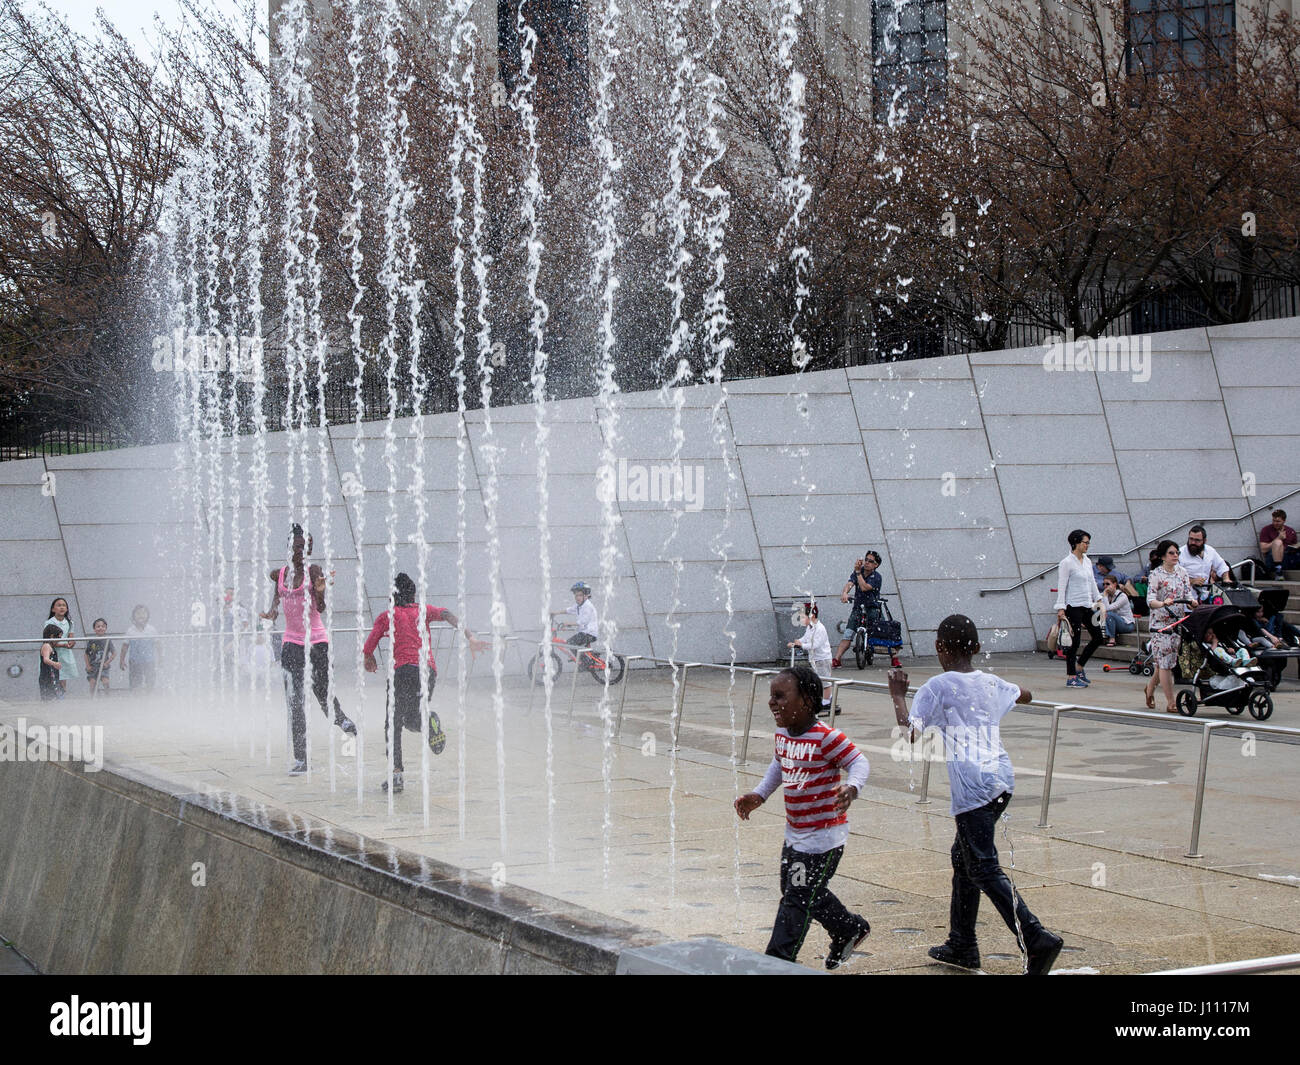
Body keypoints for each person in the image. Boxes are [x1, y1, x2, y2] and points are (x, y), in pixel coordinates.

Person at [888, 615, 1064, 975]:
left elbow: (909, 733)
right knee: (964, 858)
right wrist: (1010, 694)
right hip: (1002, 780)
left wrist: (897, 696)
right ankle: (962, 944)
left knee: (982, 866)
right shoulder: (991, 682)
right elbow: (1025, 694)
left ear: (939, 647)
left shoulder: (936, 687)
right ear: (977, 648)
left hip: (973, 786)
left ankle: (1036, 937)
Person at [734, 665, 871, 969]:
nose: (772, 702)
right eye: (772, 696)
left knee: (797, 898)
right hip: (795, 832)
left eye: (780, 696)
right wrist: (760, 794)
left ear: (808, 701)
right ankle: (848, 928)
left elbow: (859, 762)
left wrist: (851, 788)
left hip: (823, 837)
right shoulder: (783, 734)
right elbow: (779, 765)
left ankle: (778, 962)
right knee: (799, 890)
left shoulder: (826, 738)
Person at [362, 572, 487, 793]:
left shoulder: (387, 616)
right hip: (427, 672)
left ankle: (396, 774)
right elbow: (447, 614)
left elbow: (369, 646)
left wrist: (368, 659)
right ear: (413, 594)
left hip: (402, 673)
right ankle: (429, 721)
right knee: (412, 717)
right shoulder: (423, 610)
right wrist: (471, 637)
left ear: (393, 596)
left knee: (394, 723)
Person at [261, 524, 357, 775]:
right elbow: (276, 602)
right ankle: (301, 759)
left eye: (307, 547)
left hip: (316, 642)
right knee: (295, 702)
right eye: (298, 546)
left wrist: (321, 592)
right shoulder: (280, 574)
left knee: (322, 692)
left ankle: (340, 718)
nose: (302, 551)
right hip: (291, 644)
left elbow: (321, 608)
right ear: (289, 547)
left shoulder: (314, 571)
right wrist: (270, 614)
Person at [1144, 540, 1194, 713]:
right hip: (1160, 624)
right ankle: (1171, 702)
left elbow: (1188, 593)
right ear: (1163, 556)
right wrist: (1163, 603)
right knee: (1165, 664)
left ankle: (1150, 689)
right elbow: (1150, 600)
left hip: (1177, 621)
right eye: (1171, 553)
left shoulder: (1182, 572)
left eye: (1177, 553)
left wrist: (1192, 602)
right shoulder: (1156, 574)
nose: (1175, 556)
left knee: (1164, 662)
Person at [1055, 529, 1102, 687]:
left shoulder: (1087, 561)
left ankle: (1079, 666)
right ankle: (1071, 677)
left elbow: (1092, 581)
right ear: (1076, 543)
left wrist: (1099, 599)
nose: (1087, 545)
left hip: (1087, 605)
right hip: (1073, 606)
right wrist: (1061, 608)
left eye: (1088, 543)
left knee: (1098, 637)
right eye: (1085, 542)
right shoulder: (1066, 563)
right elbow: (1062, 585)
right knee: (1074, 643)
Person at [833, 551, 882, 668]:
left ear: (876, 565)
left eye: (871, 561)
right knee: (848, 633)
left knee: (882, 632)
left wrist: (858, 572)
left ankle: (894, 658)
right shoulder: (857, 572)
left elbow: (864, 587)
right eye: (866, 559)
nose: (867, 562)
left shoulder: (877, 577)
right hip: (858, 608)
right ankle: (837, 659)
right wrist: (845, 593)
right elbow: (850, 583)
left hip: (872, 607)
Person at [788, 601, 833, 713]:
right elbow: (806, 638)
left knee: (825, 681)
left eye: (803, 617)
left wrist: (802, 645)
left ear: (811, 616)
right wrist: (797, 642)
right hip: (815, 659)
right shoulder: (810, 627)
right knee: (818, 680)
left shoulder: (819, 628)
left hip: (822, 658)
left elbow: (815, 644)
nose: (801, 620)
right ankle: (825, 699)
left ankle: (827, 702)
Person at [1180, 525, 1234, 601]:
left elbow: (1222, 566)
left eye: (1197, 540)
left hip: (1205, 596)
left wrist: (1226, 579)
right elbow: (1174, 575)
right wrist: (1192, 581)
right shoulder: (1180, 553)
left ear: (1204, 541)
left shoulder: (1210, 551)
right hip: (1186, 598)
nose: (1193, 543)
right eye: (1191, 539)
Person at [119, 604, 159, 691]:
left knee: (150, 679)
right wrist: (122, 660)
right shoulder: (130, 631)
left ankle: (149, 694)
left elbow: (158, 645)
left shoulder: (151, 630)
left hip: (149, 660)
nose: (141, 615)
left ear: (148, 616)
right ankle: (136, 695)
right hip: (135, 661)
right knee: (135, 682)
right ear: (134, 616)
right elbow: (124, 647)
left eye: (143, 613)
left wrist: (161, 658)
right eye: (138, 613)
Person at [552, 581, 598, 648]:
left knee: (571, 644)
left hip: (589, 634)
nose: (577, 597)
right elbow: (569, 610)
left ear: (586, 596)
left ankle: (580, 655)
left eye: (580, 595)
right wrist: (556, 613)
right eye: (576, 595)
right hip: (584, 633)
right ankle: (582, 654)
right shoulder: (579, 605)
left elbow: (583, 622)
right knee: (573, 644)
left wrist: (568, 623)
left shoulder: (588, 606)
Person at [46, 597, 77, 694]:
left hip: (65, 653)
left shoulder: (69, 622)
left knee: (63, 678)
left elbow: (71, 636)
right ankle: (53, 697)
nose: (62, 607)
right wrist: (63, 644)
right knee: (54, 678)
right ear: (53, 609)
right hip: (53, 653)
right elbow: (49, 641)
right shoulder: (49, 622)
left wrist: (72, 643)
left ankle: (62, 698)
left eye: (64, 605)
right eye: (59, 605)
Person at [1259, 509, 1300, 580]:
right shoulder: (1266, 530)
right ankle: (1278, 572)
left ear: (1284, 521)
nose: (1275, 523)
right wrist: (1278, 538)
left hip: (1288, 558)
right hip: (1273, 561)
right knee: (1278, 542)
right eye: (1273, 521)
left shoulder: (1290, 531)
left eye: (1278, 521)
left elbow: (1294, 546)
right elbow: (1263, 550)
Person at [1098, 575, 1136, 646]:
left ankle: (1112, 638)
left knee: (1108, 613)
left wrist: (1105, 595)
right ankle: (1103, 637)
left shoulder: (1122, 596)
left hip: (1127, 624)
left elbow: (1107, 608)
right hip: (1112, 622)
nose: (1105, 586)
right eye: (1104, 584)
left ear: (1114, 584)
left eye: (1107, 584)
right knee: (1097, 613)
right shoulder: (1105, 594)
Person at [83, 618, 115, 695]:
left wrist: (107, 663)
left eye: (103, 626)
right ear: (94, 629)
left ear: (106, 628)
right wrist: (87, 665)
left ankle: (107, 695)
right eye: (98, 626)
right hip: (93, 666)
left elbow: (114, 653)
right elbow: (86, 654)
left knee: (105, 681)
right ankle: (93, 697)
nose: (100, 628)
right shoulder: (92, 641)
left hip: (103, 666)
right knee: (92, 682)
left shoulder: (107, 640)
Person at [39, 623, 64, 701]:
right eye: (58, 638)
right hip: (47, 676)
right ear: (52, 636)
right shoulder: (46, 646)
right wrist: (55, 664)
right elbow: (46, 659)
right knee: (49, 696)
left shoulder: (51, 646)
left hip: (52, 676)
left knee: (55, 695)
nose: (59, 641)